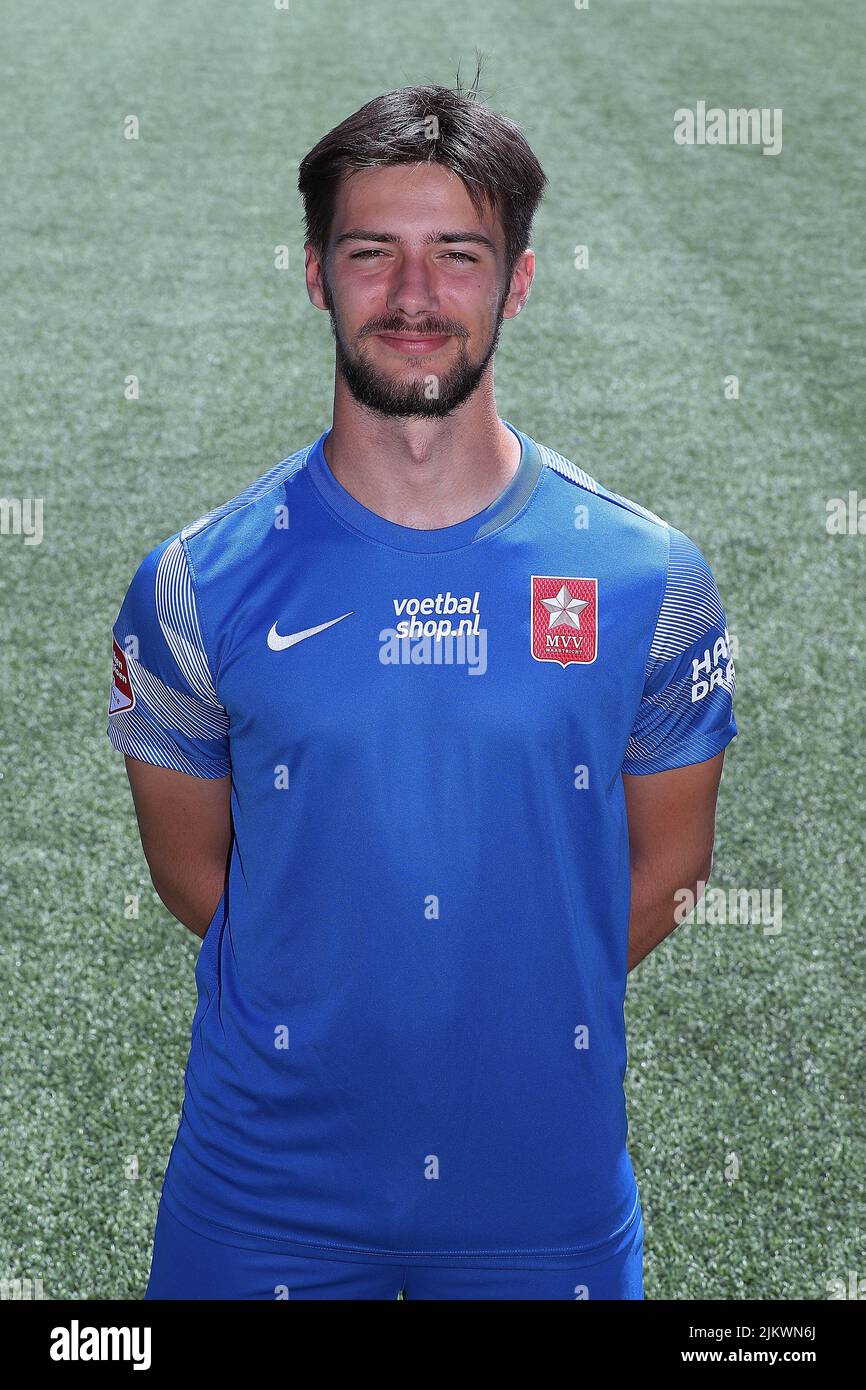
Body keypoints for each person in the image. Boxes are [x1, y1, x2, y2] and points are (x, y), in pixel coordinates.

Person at [107, 73, 737, 1300]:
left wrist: (509, 997)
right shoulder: (192, 583)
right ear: (311, 273)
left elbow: (666, 872)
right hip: (263, 1186)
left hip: (543, 1187)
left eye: (456, 255)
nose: (412, 296)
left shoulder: (648, 579)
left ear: (517, 282)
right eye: (369, 253)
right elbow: (198, 879)